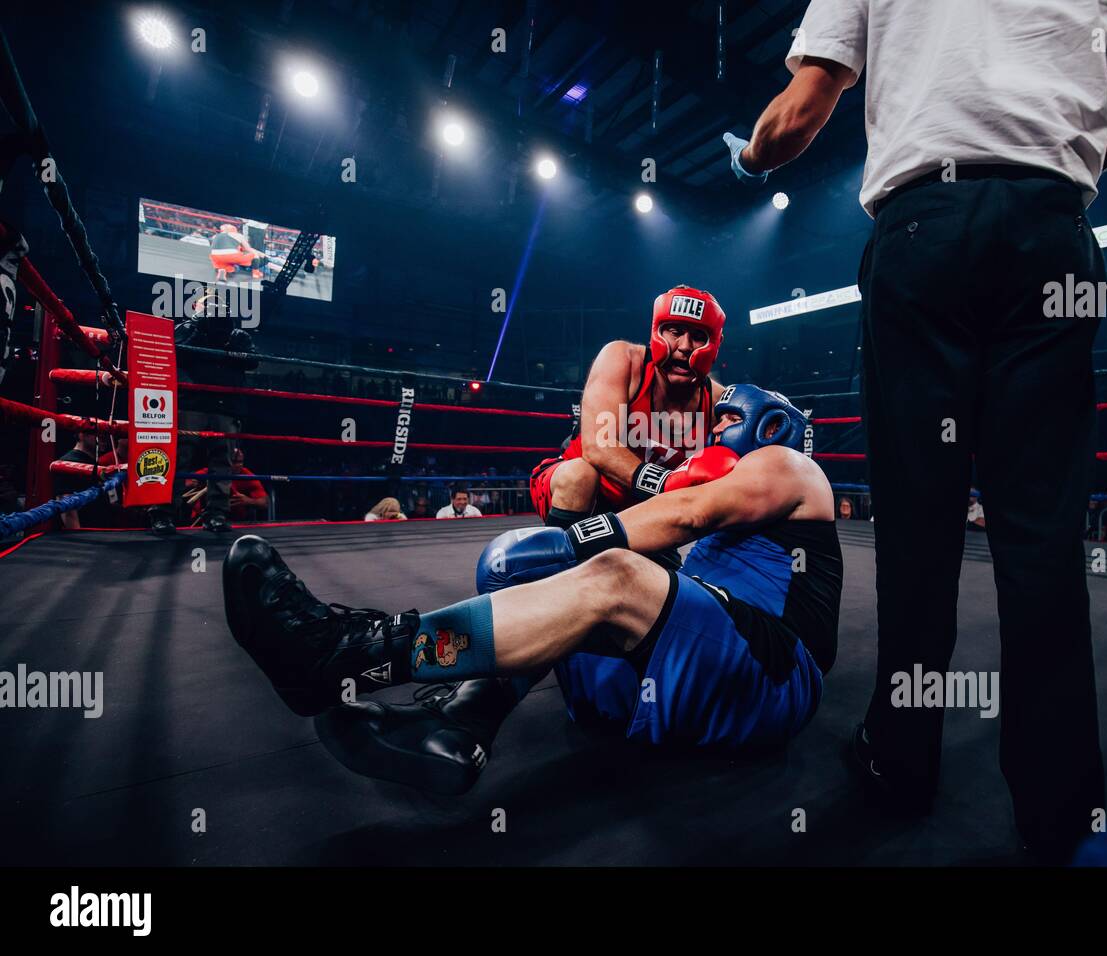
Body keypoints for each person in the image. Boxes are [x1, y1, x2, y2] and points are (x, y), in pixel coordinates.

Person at [723, 0, 1107, 862]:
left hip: (926, 232)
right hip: (1051, 234)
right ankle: (1061, 810)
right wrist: (1041, 180)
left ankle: (900, 761)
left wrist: (750, 156)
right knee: (1043, 540)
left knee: (920, 531)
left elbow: (803, 110)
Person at [222, 386, 841, 794]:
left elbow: (690, 514)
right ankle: (465, 722)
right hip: (657, 699)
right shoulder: (728, 511)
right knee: (540, 575)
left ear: (772, 424)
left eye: (729, 420)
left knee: (616, 573)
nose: (716, 430)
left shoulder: (789, 465)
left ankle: (351, 654)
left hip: (774, 681)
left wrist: (577, 541)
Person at [529, 285, 728, 532]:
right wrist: (667, 483)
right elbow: (598, 447)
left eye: (698, 336)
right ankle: (554, 559)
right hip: (583, 491)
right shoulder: (624, 360)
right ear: (655, 332)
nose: (685, 346)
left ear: (716, 345)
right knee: (579, 476)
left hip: (642, 512)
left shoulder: (719, 401)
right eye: (674, 332)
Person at [149, 289, 257, 536]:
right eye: (207, 305)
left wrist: (225, 343)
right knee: (177, 460)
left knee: (222, 462)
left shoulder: (237, 334)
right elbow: (175, 352)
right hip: (191, 404)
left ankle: (216, 514)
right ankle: (163, 514)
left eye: (217, 304)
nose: (213, 308)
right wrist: (199, 325)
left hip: (224, 406)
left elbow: (252, 360)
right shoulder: (188, 329)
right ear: (197, 308)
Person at [53, 430, 114, 530]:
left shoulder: (95, 463)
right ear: (81, 434)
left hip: (101, 534)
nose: (103, 437)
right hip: (86, 539)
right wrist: (78, 540)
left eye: (104, 433)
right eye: (98, 432)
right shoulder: (68, 463)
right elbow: (68, 511)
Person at [188, 447, 268, 523]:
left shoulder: (247, 475)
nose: (239, 465)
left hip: (236, 521)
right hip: (203, 519)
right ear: (226, 461)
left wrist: (248, 501)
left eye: (241, 461)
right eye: (234, 461)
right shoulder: (212, 472)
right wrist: (196, 483)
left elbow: (265, 503)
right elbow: (186, 482)